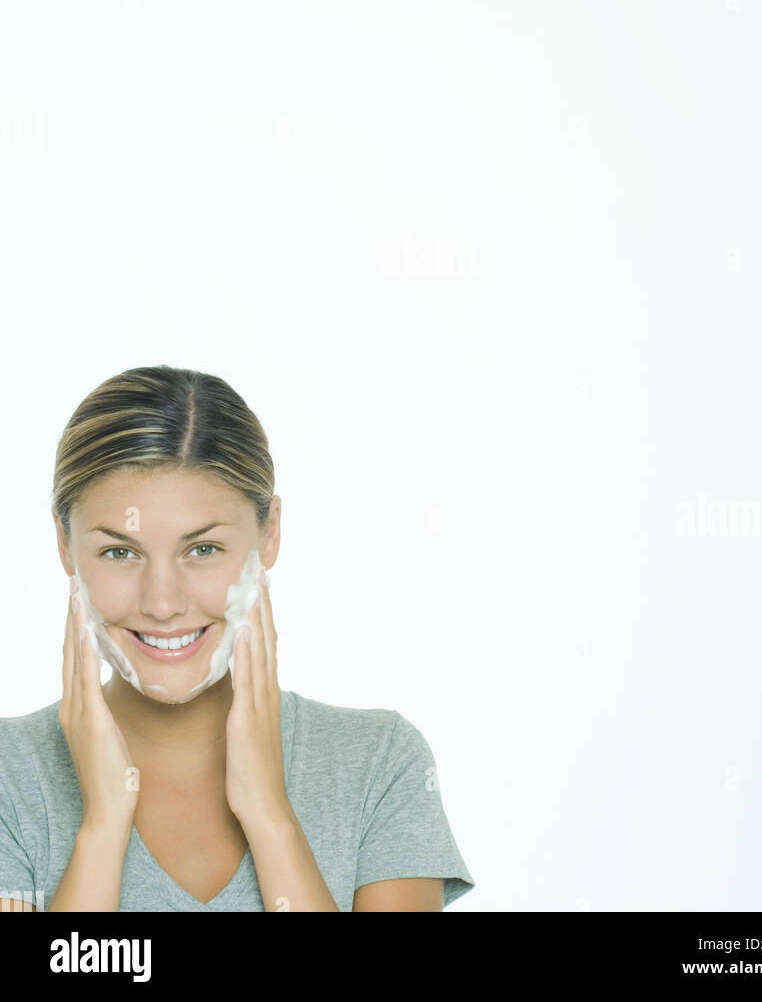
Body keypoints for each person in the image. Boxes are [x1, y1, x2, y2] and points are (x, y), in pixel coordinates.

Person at [0, 365, 474, 912]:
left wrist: (269, 813)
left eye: (202, 549)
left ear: (269, 533)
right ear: (63, 544)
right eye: (120, 552)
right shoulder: (12, 777)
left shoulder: (378, 764)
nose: (162, 603)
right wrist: (103, 826)